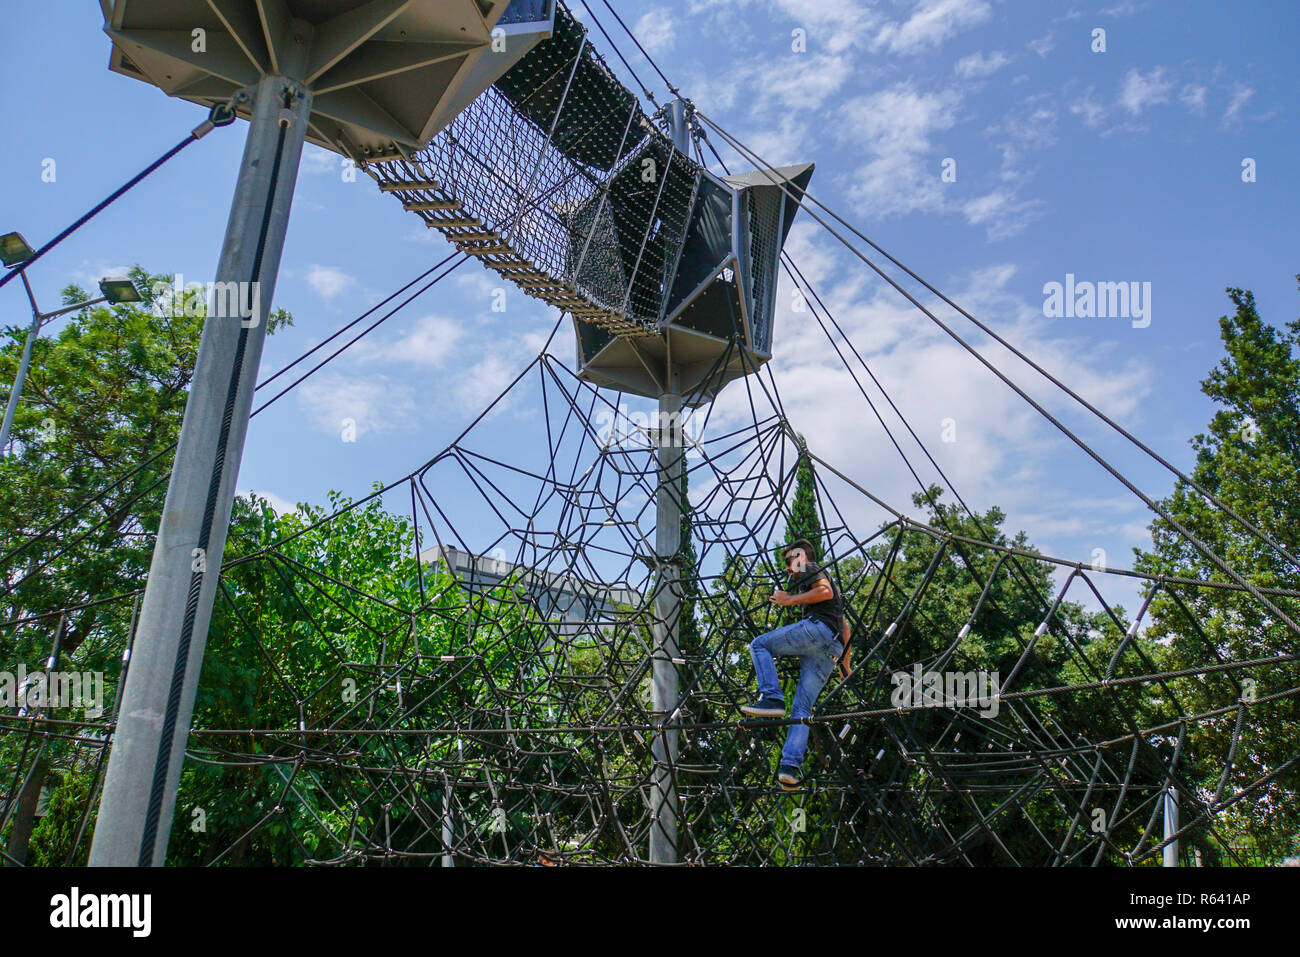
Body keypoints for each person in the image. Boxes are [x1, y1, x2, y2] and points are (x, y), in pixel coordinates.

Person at [740, 538, 850, 790]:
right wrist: (845, 664)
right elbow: (844, 626)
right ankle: (790, 766)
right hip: (830, 647)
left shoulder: (811, 568)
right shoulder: (820, 581)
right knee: (802, 708)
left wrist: (788, 599)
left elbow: (825, 592)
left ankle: (772, 697)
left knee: (760, 644)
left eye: (789, 561)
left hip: (817, 632)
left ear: (801, 556)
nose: (788, 569)